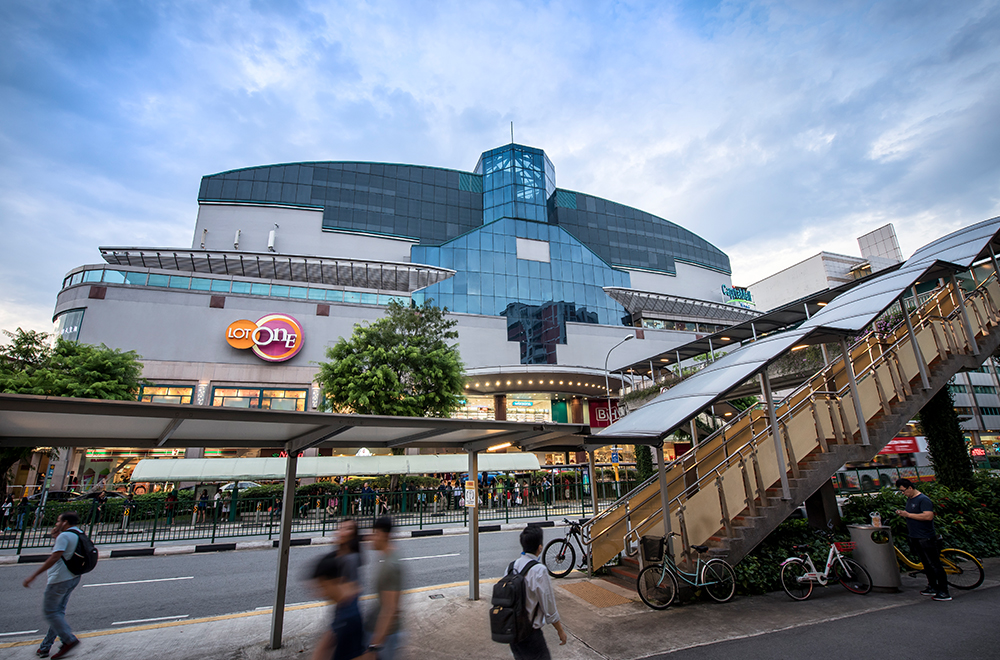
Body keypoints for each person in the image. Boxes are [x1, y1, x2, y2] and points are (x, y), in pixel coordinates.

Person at [23, 511, 85, 658]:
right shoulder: (79, 533)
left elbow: (55, 557)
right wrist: (57, 536)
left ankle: (69, 640)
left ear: (65, 522)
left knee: (50, 612)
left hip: (59, 580)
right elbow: (69, 551)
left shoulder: (65, 536)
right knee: (58, 613)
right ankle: (46, 646)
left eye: (58, 521)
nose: (56, 523)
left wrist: (33, 575)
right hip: (73, 577)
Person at [506, 526, 567, 659]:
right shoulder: (539, 570)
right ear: (540, 547)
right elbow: (549, 606)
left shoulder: (511, 567)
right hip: (530, 635)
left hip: (513, 633)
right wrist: (560, 631)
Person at [895, 478, 951, 601]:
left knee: (935, 563)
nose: (903, 493)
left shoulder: (923, 499)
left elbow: (928, 516)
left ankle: (944, 590)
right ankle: (932, 586)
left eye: (904, 491)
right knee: (926, 563)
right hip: (915, 536)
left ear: (910, 488)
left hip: (926, 537)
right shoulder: (910, 499)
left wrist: (908, 515)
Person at [311, 552, 366, 660]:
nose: (321, 593)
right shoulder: (343, 605)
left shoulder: (349, 618)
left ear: (336, 581)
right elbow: (330, 636)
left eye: (323, 587)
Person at [364, 516, 404, 659]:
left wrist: (375, 646)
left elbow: (390, 608)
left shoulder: (391, 565)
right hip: (380, 630)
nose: (370, 538)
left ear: (383, 535)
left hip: (387, 635)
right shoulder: (385, 559)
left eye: (374, 534)